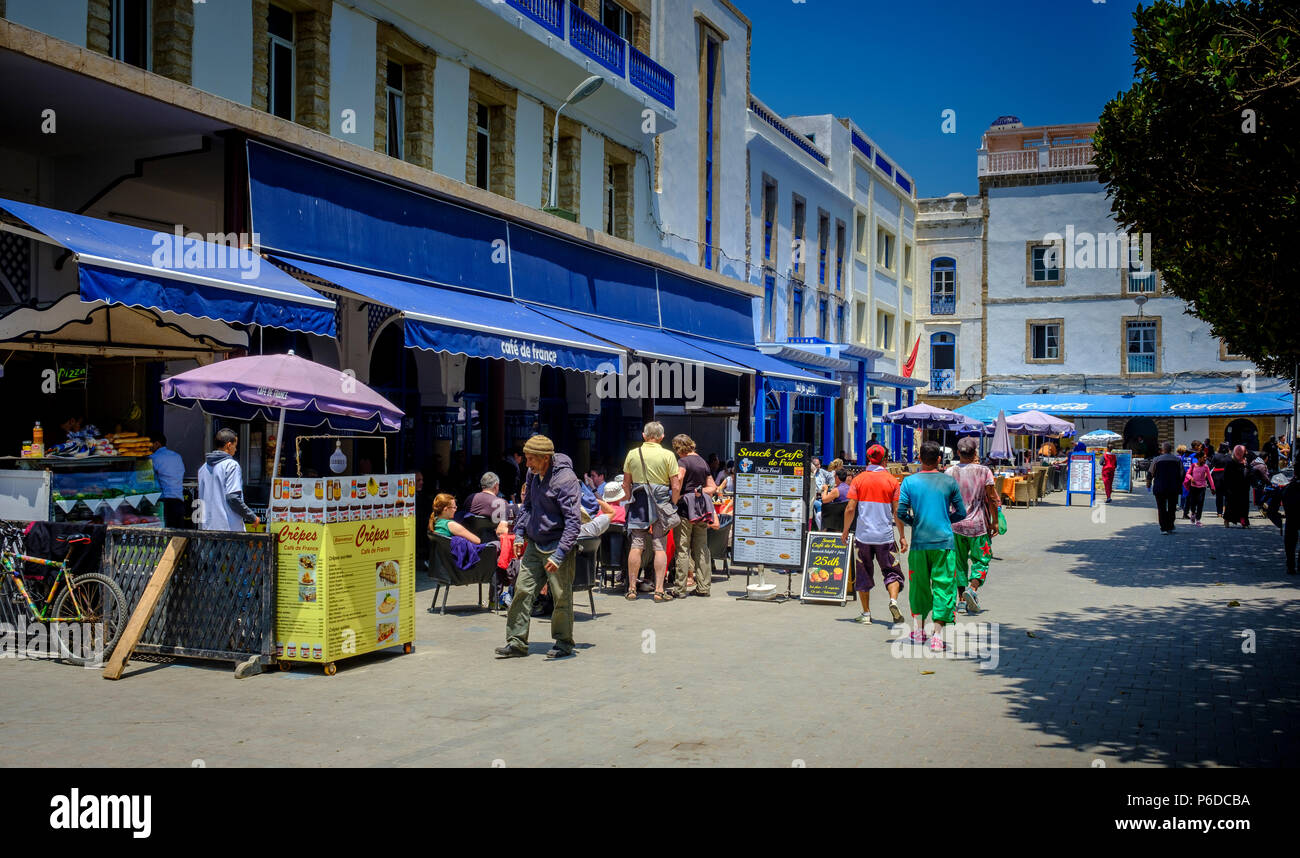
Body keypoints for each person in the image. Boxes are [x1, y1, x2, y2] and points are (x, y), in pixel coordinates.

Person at [496, 435, 581, 660]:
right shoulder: (532, 474)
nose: (527, 463)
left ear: (545, 458)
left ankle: (563, 642)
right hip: (534, 542)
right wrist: (520, 535)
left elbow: (573, 522)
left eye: (531, 459)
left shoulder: (566, 480)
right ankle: (516, 642)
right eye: (526, 458)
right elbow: (528, 507)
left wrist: (560, 554)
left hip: (557, 545)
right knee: (522, 590)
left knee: (561, 596)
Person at [896, 441, 966, 652]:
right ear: (938, 459)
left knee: (918, 585)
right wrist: (946, 519)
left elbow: (900, 512)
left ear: (919, 458)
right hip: (943, 542)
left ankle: (918, 630)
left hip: (919, 542)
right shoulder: (949, 482)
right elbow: (961, 512)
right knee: (943, 587)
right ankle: (937, 636)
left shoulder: (909, 482)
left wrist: (914, 522)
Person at [841, 444, 907, 625]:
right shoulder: (892, 481)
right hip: (885, 536)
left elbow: (850, 508)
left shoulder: (858, 480)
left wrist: (846, 530)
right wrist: (901, 535)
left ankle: (866, 613)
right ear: (885, 459)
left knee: (863, 573)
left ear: (868, 459)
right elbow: (897, 512)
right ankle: (893, 601)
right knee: (892, 571)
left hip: (863, 536)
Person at [621, 422, 681, 603]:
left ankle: (632, 589)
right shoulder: (668, 455)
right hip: (661, 502)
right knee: (659, 545)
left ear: (644, 436)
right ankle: (659, 590)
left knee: (636, 544)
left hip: (639, 502)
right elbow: (676, 485)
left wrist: (631, 498)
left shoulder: (633, 454)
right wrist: (673, 503)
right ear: (662, 437)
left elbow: (625, 484)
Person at [945, 436, 999, 614]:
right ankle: (972, 588)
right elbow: (992, 498)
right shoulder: (984, 471)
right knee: (982, 560)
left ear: (958, 452)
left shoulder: (949, 472)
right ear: (975, 452)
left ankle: (961, 601)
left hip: (955, 526)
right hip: (978, 526)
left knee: (958, 564)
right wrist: (994, 521)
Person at [669, 434, 719, 598]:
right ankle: (704, 587)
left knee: (682, 548)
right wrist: (698, 493)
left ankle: (680, 588)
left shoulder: (682, 462)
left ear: (678, 448)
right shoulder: (702, 461)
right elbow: (712, 487)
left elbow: (678, 483)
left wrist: (676, 501)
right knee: (701, 548)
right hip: (701, 511)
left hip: (684, 510)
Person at [197, 428, 259, 532]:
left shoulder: (203, 468)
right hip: (229, 529)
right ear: (229, 445)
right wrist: (252, 517)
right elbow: (233, 498)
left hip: (207, 529)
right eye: (235, 446)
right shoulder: (231, 465)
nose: (236, 449)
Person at [149, 434, 186, 528]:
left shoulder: (153, 458)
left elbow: (146, 479)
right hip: (179, 501)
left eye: (150, 444)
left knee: (165, 536)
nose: (149, 447)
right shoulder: (177, 456)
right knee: (178, 536)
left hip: (165, 502)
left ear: (157, 443)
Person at [1148, 442, 1185, 535]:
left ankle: (1163, 528)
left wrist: (1148, 483)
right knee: (1172, 507)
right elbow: (1182, 474)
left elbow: (1150, 473)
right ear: (1171, 450)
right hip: (1173, 488)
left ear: (1163, 450)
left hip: (1160, 488)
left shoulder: (1156, 460)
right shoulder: (1177, 460)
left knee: (1161, 508)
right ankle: (1170, 525)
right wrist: (1179, 483)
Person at [1222, 445, 1252, 528]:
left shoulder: (1245, 461)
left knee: (1243, 506)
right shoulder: (1230, 461)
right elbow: (1226, 476)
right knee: (1231, 505)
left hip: (1243, 488)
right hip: (1232, 488)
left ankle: (1243, 521)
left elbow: (1248, 473)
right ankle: (1227, 520)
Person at [1183, 450, 1215, 527]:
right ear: (1199, 458)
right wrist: (1191, 478)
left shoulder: (1206, 467)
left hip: (1202, 487)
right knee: (1193, 503)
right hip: (1193, 487)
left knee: (1200, 503)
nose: (1205, 459)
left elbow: (1210, 478)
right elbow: (1187, 474)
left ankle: (1198, 520)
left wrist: (1212, 487)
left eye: (1205, 458)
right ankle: (1193, 513)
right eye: (1203, 458)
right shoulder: (1193, 465)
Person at [1281, 474, 1299, 575]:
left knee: (1290, 542)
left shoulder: (1289, 487)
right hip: (1292, 517)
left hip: (1292, 518)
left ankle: (1290, 565)